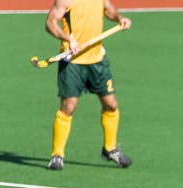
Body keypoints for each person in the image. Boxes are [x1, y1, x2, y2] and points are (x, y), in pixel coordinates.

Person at [45, 0, 132, 171]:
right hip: (72, 63)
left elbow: (108, 10)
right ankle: (57, 155)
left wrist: (119, 18)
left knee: (111, 105)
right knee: (68, 107)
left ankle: (110, 149)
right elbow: (50, 23)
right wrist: (68, 39)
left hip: (97, 60)